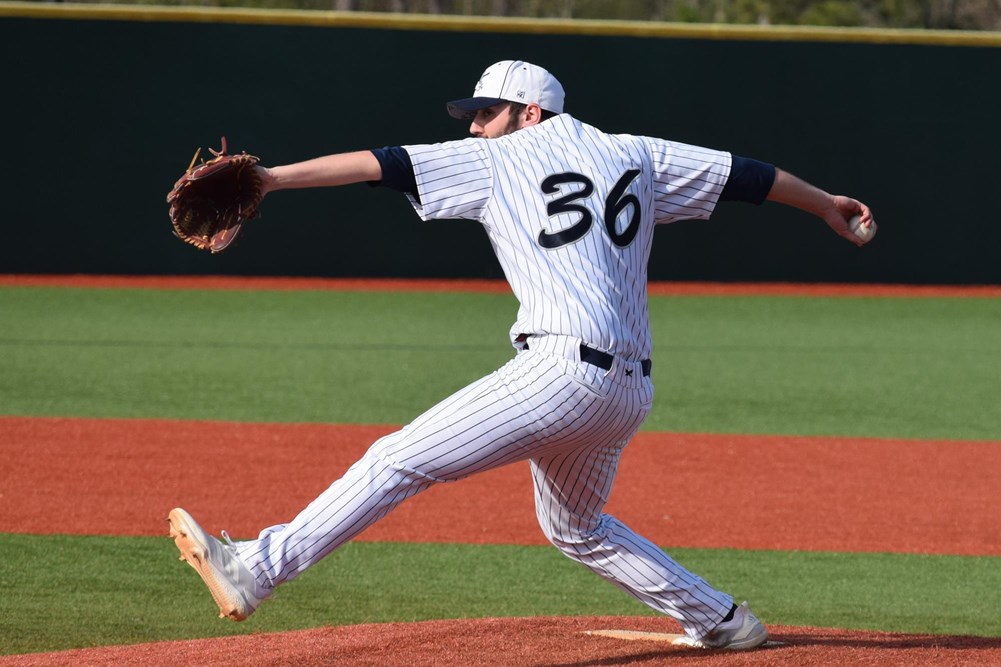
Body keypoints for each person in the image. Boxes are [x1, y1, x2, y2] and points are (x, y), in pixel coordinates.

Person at [169, 60, 874, 651]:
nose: (475, 126)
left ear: (529, 112)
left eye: (486, 111)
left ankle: (258, 567)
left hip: (560, 373)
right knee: (577, 526)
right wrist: (824, 206)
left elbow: (379, 166)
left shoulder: (499, 157)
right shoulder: (638, 153)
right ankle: (720, 619)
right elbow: (748, 177)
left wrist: (272, 179)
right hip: (627, 390)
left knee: (396, 459)